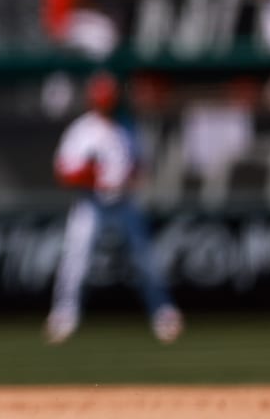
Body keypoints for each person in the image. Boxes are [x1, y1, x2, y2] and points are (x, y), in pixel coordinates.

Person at [46, 71, 183, 345]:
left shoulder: (126, 127)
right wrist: (92, 177)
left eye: (109, 98)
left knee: (145, 259)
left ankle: (163, 313)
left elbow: (139, 166)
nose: (107, 103)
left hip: (124, 203)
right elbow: (63, 172)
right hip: (91, 204)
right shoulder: (82, 130)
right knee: (76, 260)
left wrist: (129, 178)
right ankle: (64, 316)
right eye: (103, 98)